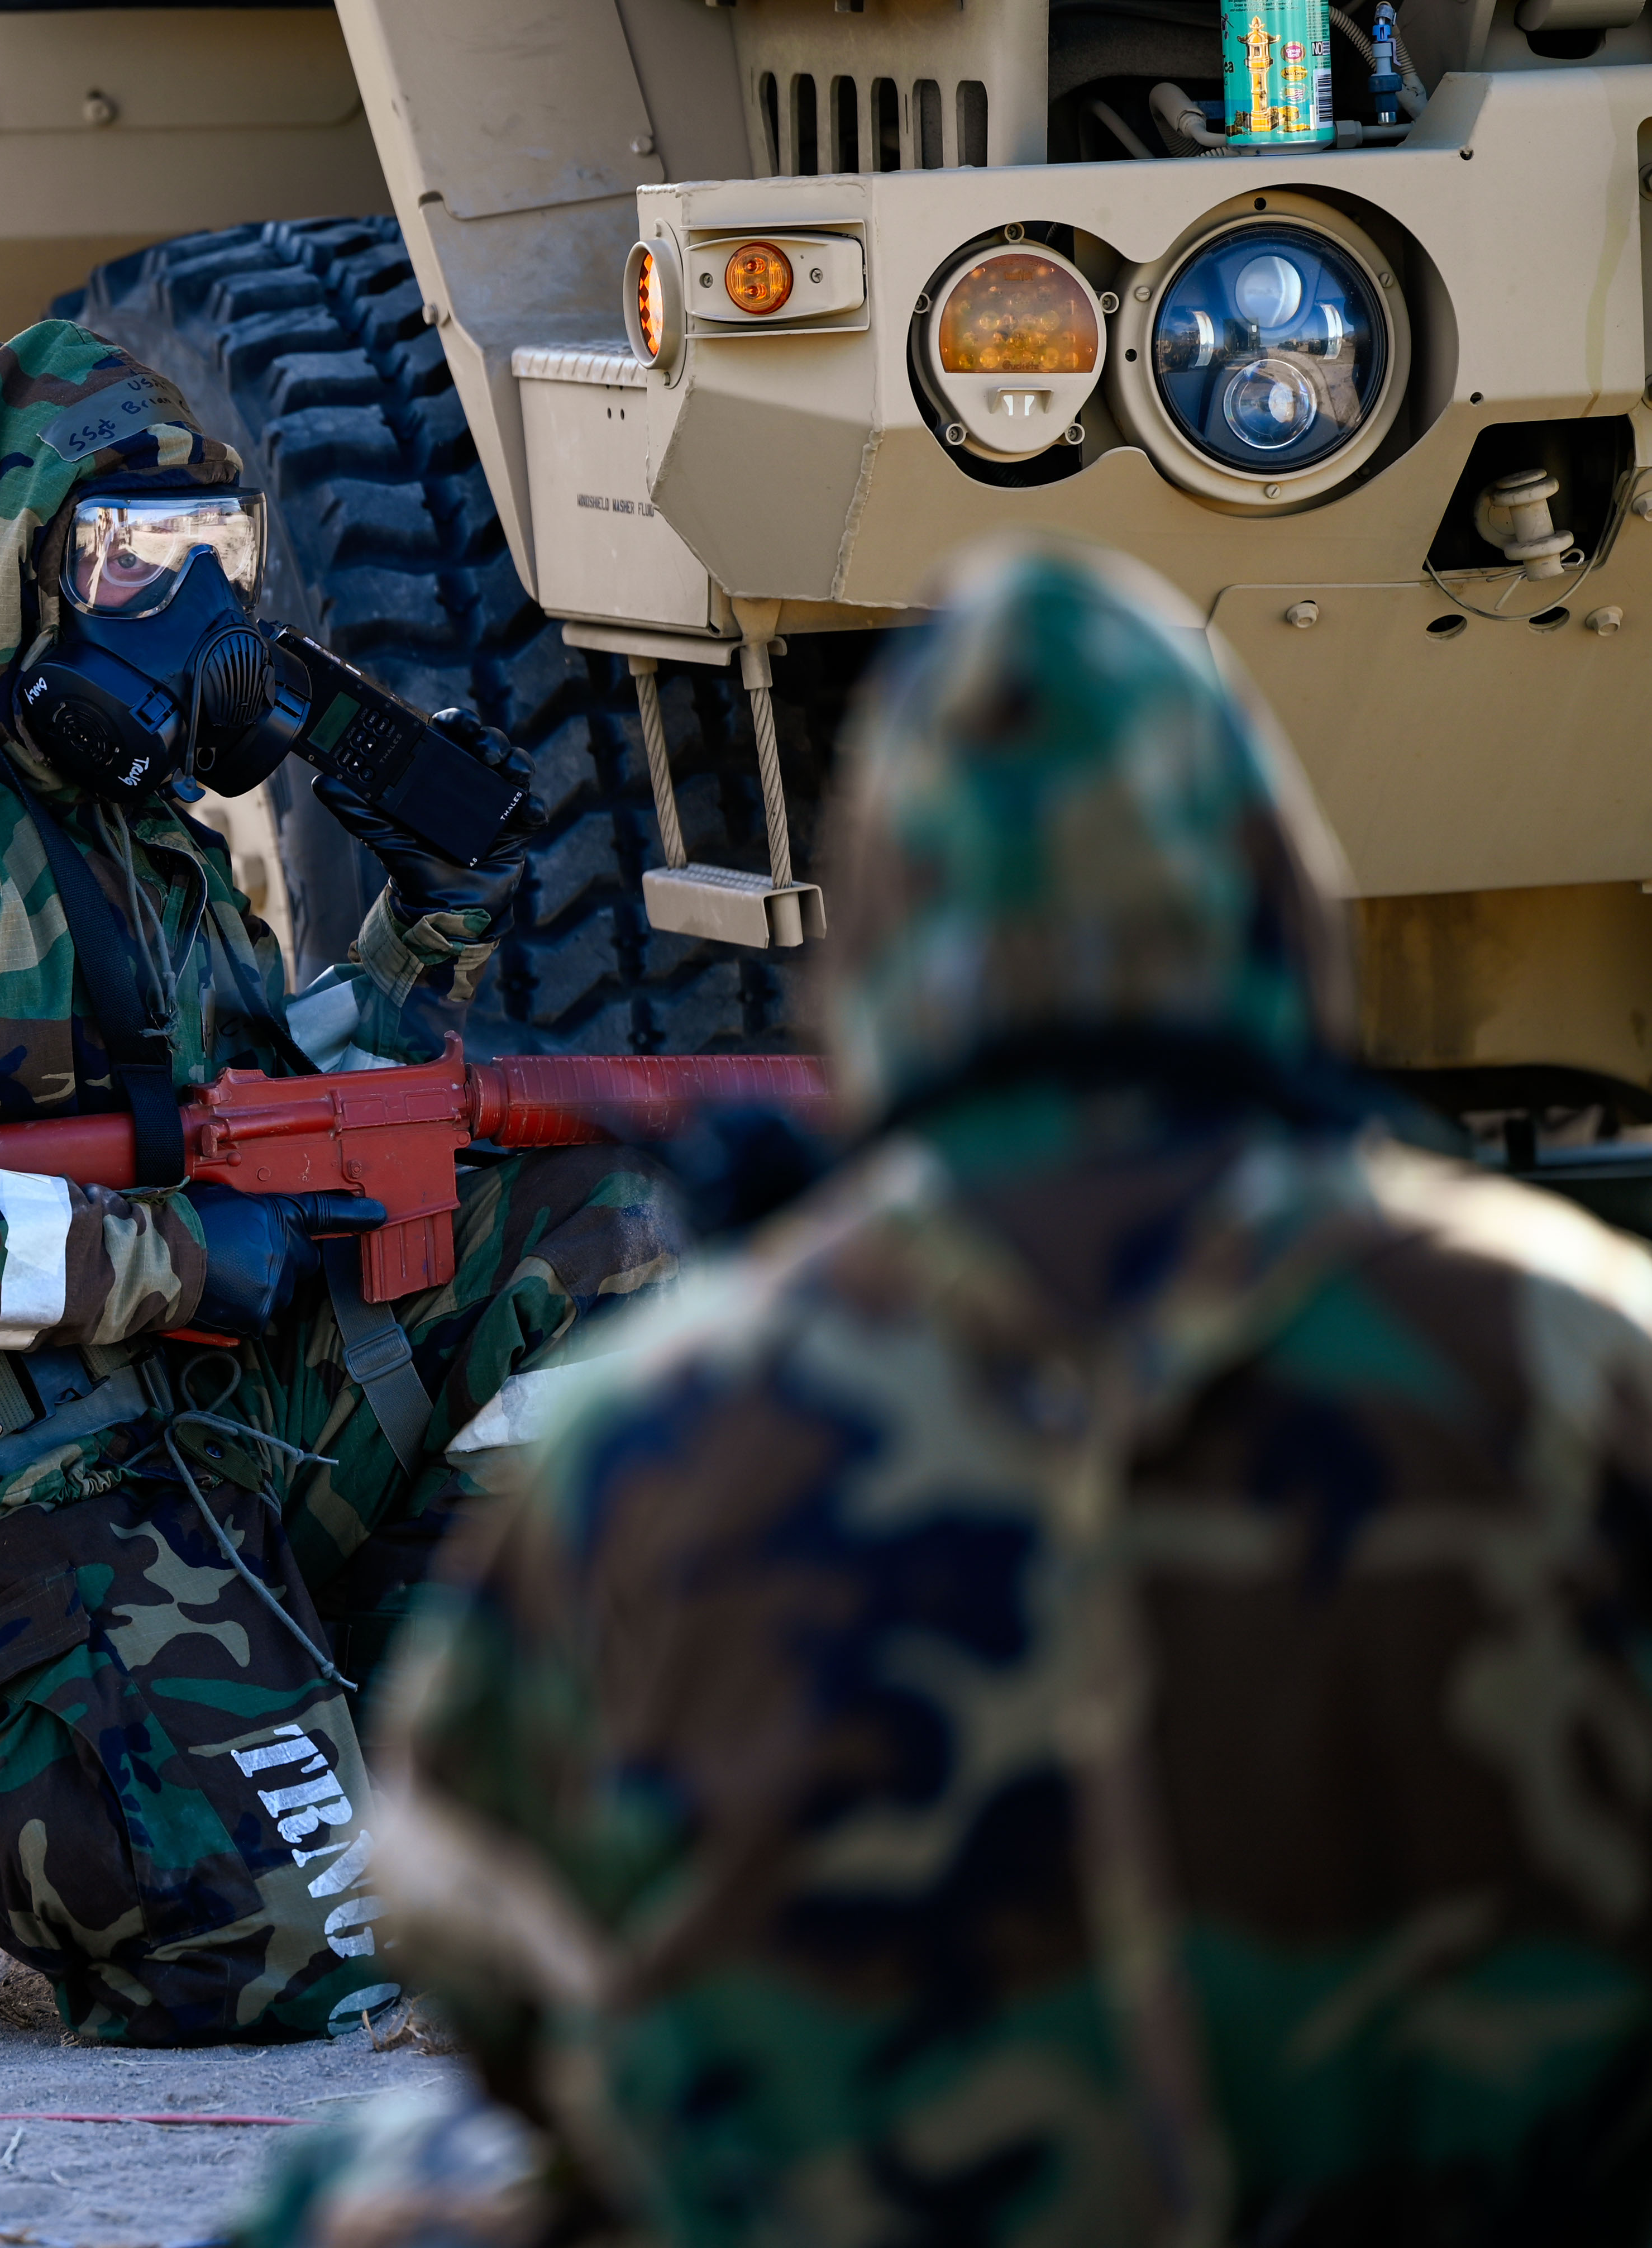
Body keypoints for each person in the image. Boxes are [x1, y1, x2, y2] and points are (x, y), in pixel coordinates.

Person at [243, 537, 1652, 2244]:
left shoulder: (667, 1428)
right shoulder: (1575, 1346)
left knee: (363, 2199)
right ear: (1278, 906)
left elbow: (480, 1960)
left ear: (885, 956)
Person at [0, 321, 683, 2042]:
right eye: (123, 561)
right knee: (310, 1959)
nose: (187, 616)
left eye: (216, 559)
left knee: (607, 1245)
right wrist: (172, 1262)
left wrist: (425, 942)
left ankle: (404, 1754)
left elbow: (255, 1118)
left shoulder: (154, 847)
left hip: (185, 1424)